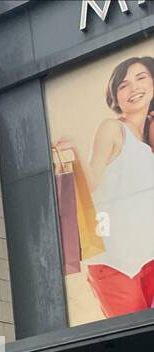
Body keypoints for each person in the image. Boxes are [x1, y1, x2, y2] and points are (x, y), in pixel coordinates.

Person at [54, 56, 154, 318]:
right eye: (123, 85)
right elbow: (94, 183)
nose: (133, 88)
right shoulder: (112, 129)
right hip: (116, 261)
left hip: (150, 256)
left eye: (141, 78)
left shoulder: (148, 139)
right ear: (115, 97)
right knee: (136, 340)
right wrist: (75, 146)